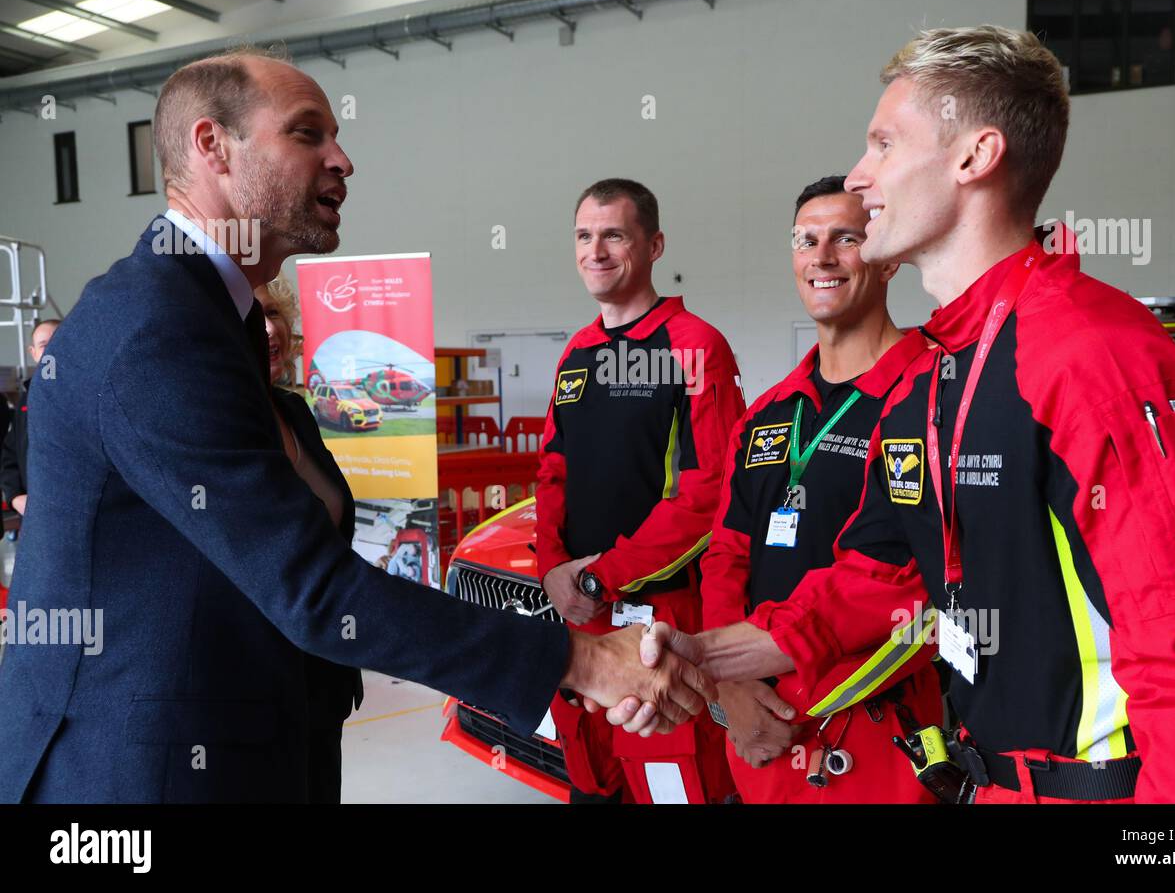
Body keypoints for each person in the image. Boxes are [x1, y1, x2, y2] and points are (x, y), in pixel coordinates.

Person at [0, 47, 714, 803]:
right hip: (135, 777)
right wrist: (582, 660)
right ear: (213, 146)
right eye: (307, 133)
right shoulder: (156, 328)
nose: (343, 160)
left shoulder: (212, 321)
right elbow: (310, 587)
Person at [614, 26, 1175, 805]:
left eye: (884, 144)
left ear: (974, 157)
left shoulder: (1091, 353)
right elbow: (873, 580)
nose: (860, 177)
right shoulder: (930, 379)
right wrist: (702, 657)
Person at [700, 176, 941, 803]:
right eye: (806, 241)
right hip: (759, 728)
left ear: (887, 257)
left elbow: (915, 587)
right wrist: (730, 685)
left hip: (871, 732)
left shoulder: (928, 396)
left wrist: (783, 691)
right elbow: (727, 555)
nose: (822, 258)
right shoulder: (768, 413)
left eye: (846, 239)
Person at [536, 178, 745, 804]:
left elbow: (711, 495)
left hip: (660, 621)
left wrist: (598, 578)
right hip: (579, 616)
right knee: (590, 781)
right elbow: (551, 473)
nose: (595, 251)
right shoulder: (577, 352)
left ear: (653, 246)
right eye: (584, 236)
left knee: (668, 783)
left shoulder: (695, 346)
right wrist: (553, 572)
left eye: (614, 236)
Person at [256, 276, 364, 804]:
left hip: (321, 670)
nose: (269, 329)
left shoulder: (295, 411)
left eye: (274, 314)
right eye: (252, 315)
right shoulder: (217, 422)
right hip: (252, 684)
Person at [1, 318, 59, 518]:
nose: (51, 350)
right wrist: (15, 497)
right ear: (33, 353)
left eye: (58, 341)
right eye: (44, 345)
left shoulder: (92, 394)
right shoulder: (27, 398)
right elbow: (10, 453)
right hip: (35, 514)